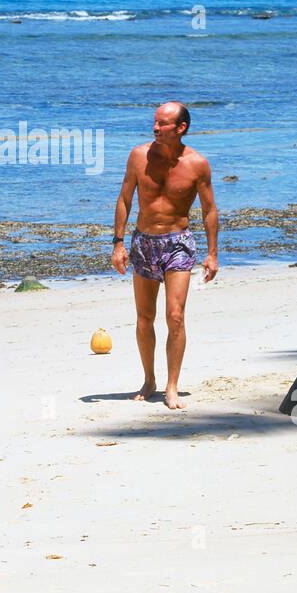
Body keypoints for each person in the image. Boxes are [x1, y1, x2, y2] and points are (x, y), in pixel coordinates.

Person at [110, 102, 218, 409]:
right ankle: (149, 379)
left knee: (175, 316)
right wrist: (118, 244)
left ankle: (172, 385)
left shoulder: (197, 164)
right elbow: (124, 199)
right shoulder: (138, 156)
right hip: (144, 242)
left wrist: (212, 254)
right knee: (145, 318)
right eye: (154, 122)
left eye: (163, 123)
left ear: (180, 128)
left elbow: (209, 210)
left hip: (178, 243)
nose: (155, 127)